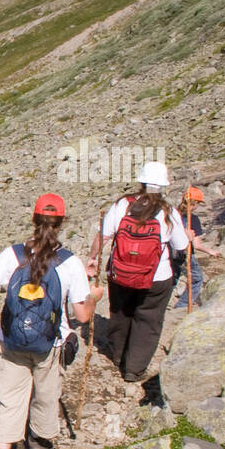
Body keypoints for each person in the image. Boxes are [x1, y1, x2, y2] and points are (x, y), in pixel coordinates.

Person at [0, 193, 101, 449]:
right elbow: (81, 314)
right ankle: (39, 443)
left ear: (33, 219)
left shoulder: (14, 255)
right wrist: (93, 295)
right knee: (45, 392)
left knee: (10, 399)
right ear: (62, 223)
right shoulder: (70, 263)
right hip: (50, 344)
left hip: (13, 341)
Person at [85, 161, 188, 382]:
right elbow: (181, 246)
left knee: (121, 312)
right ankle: (134, 369)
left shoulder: (123, 204)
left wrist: (92, 258)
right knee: (149, 319)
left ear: (141, 182)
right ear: (162, 186)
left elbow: (103, 235)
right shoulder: (169, 212)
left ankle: (117, 355)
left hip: (120, 272)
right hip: (156, 276)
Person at [172, 186, 220, 308]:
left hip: (168, 252)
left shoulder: (172, 213)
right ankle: (182, 306)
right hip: (184, 253)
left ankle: (158, 303)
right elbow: (196, 245)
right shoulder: (193, 219)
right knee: (197, 279)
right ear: (196, 203)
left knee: (171, 279)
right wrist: (210, 251)